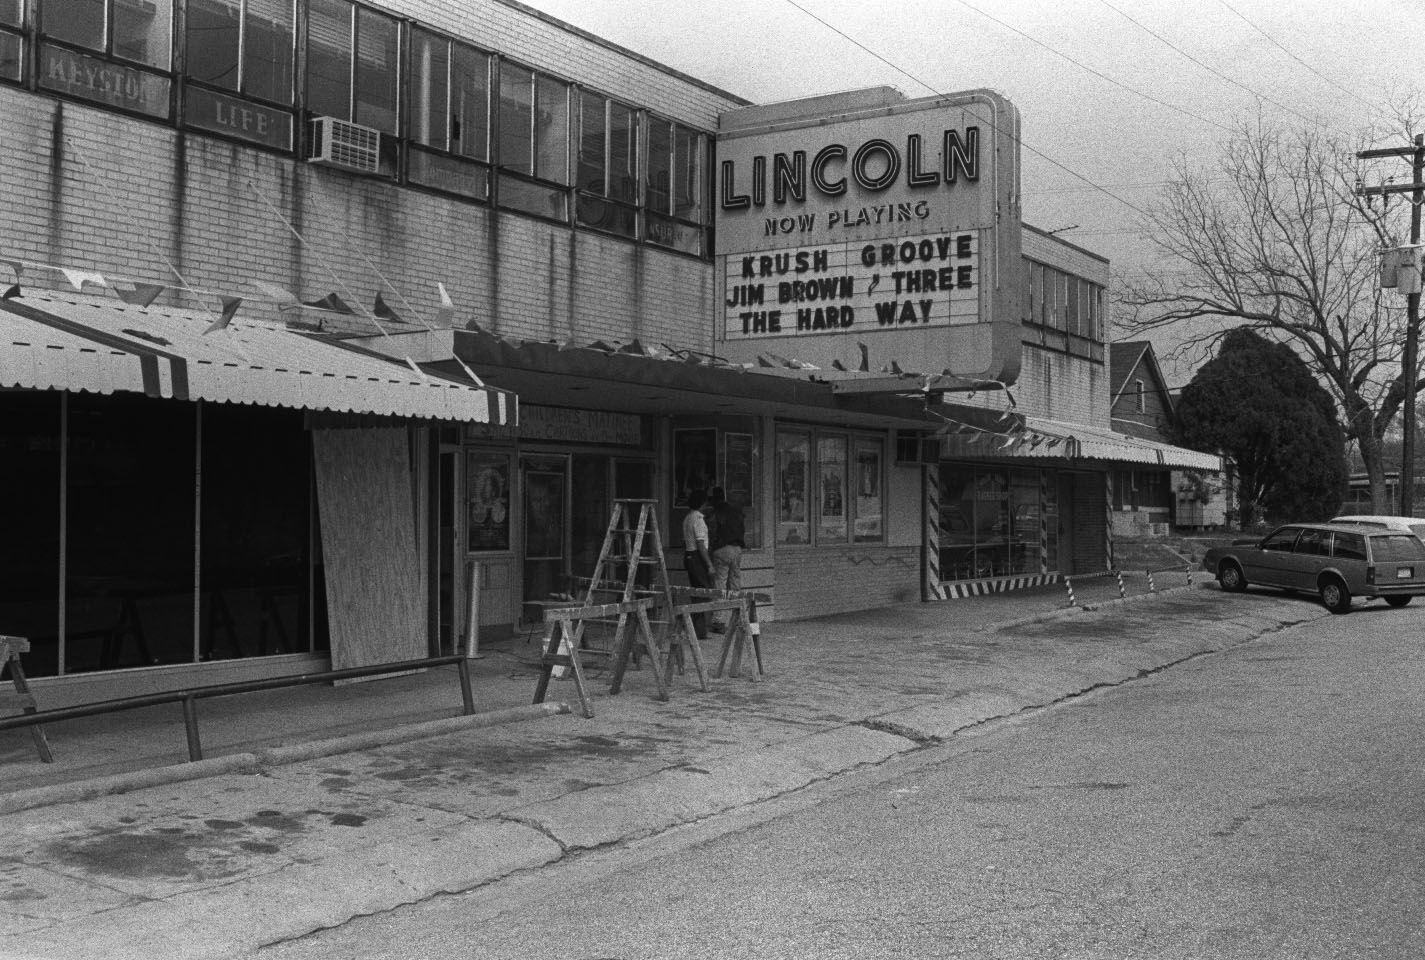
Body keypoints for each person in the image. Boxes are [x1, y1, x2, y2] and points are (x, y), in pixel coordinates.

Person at [707, 485, 745, 633]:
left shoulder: (715, 513)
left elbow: (712, 533)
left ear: (714, 500)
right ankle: (739, 617)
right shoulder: (736, 511)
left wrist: (710, 551)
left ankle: (718, 621)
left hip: (721, 549)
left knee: (720, 585)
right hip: (737, 548)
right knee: (735, 584)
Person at [681, 489, 715, 640]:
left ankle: (696, 629)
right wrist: (709, 564)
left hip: (689, 555)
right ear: (702, 503)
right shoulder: (699, 519)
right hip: (697, 556)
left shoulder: (687, 518)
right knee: (703, 593)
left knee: (696, 593)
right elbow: (701, 544)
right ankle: (700, 629)